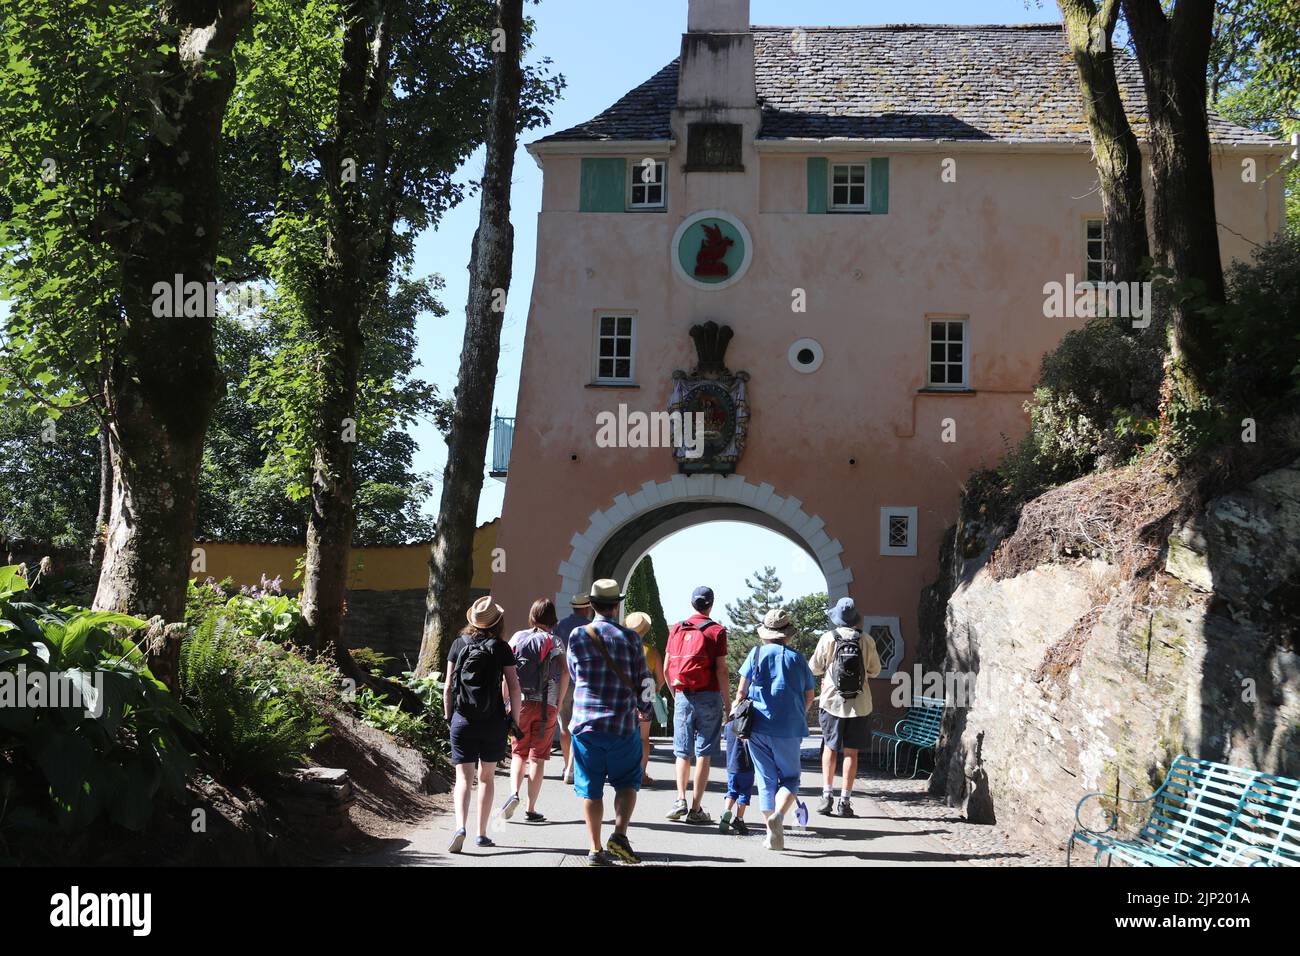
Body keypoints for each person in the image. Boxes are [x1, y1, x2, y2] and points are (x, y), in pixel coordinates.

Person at [566, 579, 654, 866]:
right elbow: (645, 682)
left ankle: (594, 849)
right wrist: (645, 709)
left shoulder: (578, 636)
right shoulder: (631, 639)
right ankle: (619, 834)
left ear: (591, 604)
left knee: (590, 788)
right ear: (617, 605)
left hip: (586, 726)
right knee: (627, 783)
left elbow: (574, 674)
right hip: (622, 725)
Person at [732, 608, 816, 851]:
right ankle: (779, 816)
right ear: (787, 634)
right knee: (790, 778)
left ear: (766, 633)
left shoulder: (756, 654)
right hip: (789, 728)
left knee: (766, 781)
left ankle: (771, 834)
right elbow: (809, 695)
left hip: (757, 725)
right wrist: (799, 711)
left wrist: (735, 713)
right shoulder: (798, 658)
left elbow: (741, 692)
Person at [443, 596, 522, 854]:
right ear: (498, 622)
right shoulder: (501, 648)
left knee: (463, 778)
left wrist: (449, 718)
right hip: (493, 722)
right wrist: (515, 721)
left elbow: (447, 688)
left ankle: (459, 827)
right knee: (486, 778)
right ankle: (481, 833)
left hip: (462, 721)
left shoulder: (458, 644)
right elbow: (514, 687)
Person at [809, 596, 882, 818]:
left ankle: (826, 795)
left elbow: (814, 668)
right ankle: (845, 801)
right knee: (851, 752)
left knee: (830, 748)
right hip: (859, 704)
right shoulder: (866, 640)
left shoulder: (827, 638)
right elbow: (875, 670)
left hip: (832, 702)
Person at [664, 585, 728, 825]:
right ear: (711, 604)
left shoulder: (677, 629)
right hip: (709, 695)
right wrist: (728, 703)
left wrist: (676, 694)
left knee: (682, 751)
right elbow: (721, 670)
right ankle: (695, 808)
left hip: (683, 694)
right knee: (704, 753)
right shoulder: (717, 631)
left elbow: (666, 668)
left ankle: (679, 799)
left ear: (692, 604)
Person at [502, 598, 568, 823]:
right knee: (538, 757)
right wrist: (558, 701)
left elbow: (507, 672)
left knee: (518, 752)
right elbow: (566, 673)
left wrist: (506, 701)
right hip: (545, 705)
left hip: (519, 702)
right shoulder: (555, 641)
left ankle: (514, 793)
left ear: (532, 616)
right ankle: (531, 808)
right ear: (553, 619)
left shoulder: (517, 637)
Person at [553, 593, 593, 785]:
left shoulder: (560, 626)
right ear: (587, 608)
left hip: (563, 682)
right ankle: (575, 766)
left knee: (564, 726)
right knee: (581, 727)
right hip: (583, 683)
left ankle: (566, 766)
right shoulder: (590, 628)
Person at [624, 611, 666, 785]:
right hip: (645, 697)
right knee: (643, 738)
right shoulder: (652, 651)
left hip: (624, 697)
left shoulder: (623, 648)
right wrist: (653, 690)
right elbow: (661, 679)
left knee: (624, 736)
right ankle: (641, 774)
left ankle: (623, 772)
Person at [719, 717, 754, 835]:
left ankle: (726, 811)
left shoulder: (729, 726)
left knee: (732, 791)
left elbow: (726, 738)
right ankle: (739, 819)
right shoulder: (750, 725)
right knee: (744, 792)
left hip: (731, 767)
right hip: (747, 767)